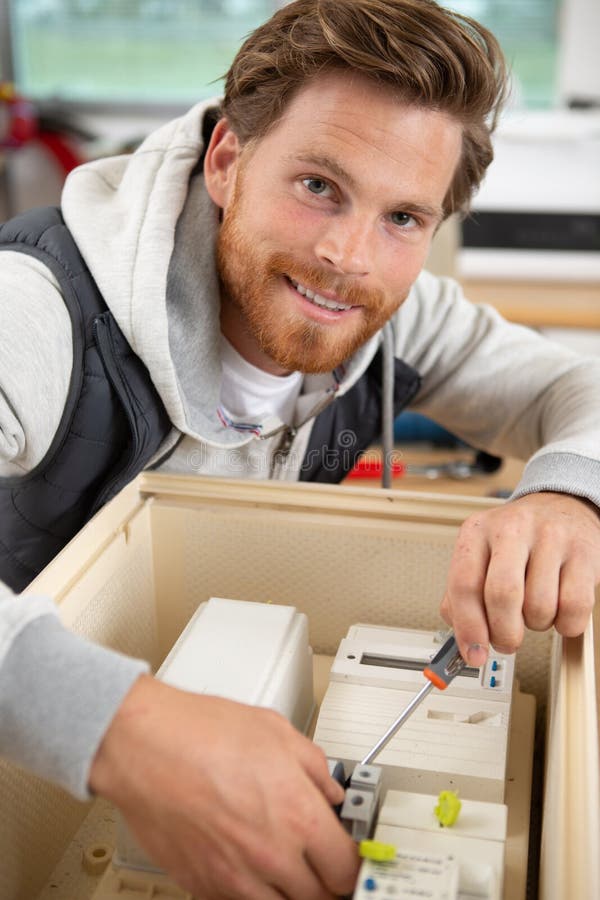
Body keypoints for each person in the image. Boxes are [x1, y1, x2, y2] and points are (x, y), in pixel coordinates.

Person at [1, 0, 599, 896]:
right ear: (228, 161)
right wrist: (124, 730)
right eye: (318, 184)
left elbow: (577, 388)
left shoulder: (397, 315)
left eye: (403, 218)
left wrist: (565, 495)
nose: (346, 258)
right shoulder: (36, 304)